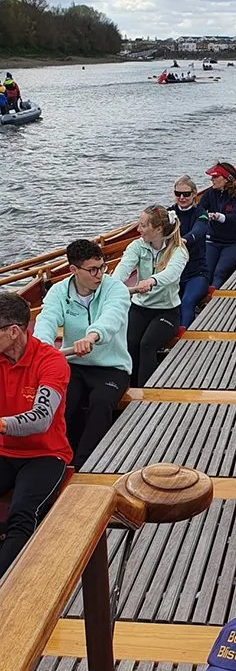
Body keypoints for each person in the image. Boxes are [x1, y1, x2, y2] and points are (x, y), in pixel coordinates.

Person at [33, 240, 131, 469]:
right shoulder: (59, 291)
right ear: (73, 271)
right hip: (74, 364)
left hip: (112, 367)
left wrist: (92, 336)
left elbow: (112, 316)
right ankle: (58, 459)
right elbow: (47, 320)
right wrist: (42, 349)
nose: (100, 274)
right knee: (63, 402)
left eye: (102, 267)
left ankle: (84, 465)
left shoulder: (114, 288)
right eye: (93, 269)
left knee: (100, 403)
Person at [0, 292, 72, 579]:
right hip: (4, 450)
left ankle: (6, 585)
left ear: (13, 331)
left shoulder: (51, 362)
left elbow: (41, 419)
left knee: (22, 514)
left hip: (45, 454)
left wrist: (2, 425)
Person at [113, 206, 188, 386]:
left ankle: (144, 392)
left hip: (167, 311)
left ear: (158, 229)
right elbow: (123, 269)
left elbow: (172, 274)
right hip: (139, 307)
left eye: (143, 226)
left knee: (147, 344)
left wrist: (151, 281)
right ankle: (127, 389)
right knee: (129, 342)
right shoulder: (137, 246)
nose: (138, 230)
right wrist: (112, 285)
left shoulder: (179, 250)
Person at [199, 162, 236, 288]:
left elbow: (235, 218)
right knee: (206, 272)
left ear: (227, 179)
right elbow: (199, 210)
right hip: (212, 240)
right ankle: (202, 298)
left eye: (215, 177)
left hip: (233, 242)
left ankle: (212, 299)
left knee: (220, 272)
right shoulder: (210, 193)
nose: (212, 180)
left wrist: (217, 216)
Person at [171, 177, 210, 328]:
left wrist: (184, 241)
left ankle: (181, 337)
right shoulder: (169, 214)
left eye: (186, 194)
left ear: (194, 194)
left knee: (187, 301)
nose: (182, 197)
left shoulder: (200, 214)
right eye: (178, 193)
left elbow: (199, 230)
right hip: (174, 271)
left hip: (196, 272)